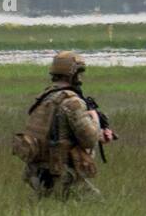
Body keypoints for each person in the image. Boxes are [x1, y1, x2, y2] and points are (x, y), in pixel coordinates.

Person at [13, 51, 116, 199]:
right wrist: (95, 119)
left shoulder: (45, 97)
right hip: (60, 174)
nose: (81, 77)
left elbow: (61, 132)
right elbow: (89, 139)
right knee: (99, 206)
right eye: (80, 73)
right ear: (72, 74)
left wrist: (99, 134)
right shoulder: (72, 102)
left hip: (36, 173)